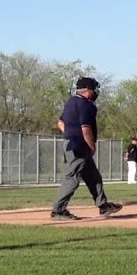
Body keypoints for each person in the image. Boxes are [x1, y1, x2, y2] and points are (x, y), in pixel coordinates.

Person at [50, 76, 122, 221]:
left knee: (93, 176)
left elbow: (60, 123)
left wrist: (70, 134)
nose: (96, 92)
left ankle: (103, 206)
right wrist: (91, 145)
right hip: (79, 146)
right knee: (72, 178)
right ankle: (58, 210)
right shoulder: (87, 105)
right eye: (94, 88)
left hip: (71, 143)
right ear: (88, 90)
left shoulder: (71, 102)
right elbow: (85, 128)